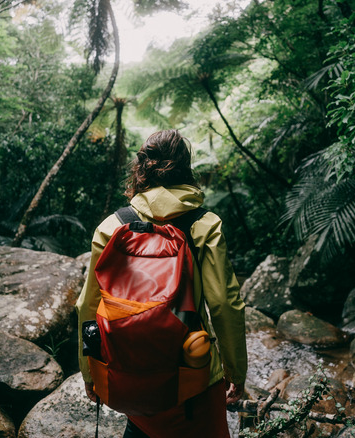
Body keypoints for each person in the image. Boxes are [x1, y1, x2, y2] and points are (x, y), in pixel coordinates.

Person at [75, 129, 248, 438]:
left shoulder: (112, 226)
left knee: (141, 426)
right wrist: (235, 372)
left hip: (126, 368)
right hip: (191, 372)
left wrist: (91, 372)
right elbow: (224, 304)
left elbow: (88, 304)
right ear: (185, 168)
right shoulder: (204, 225)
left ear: (141, 169)